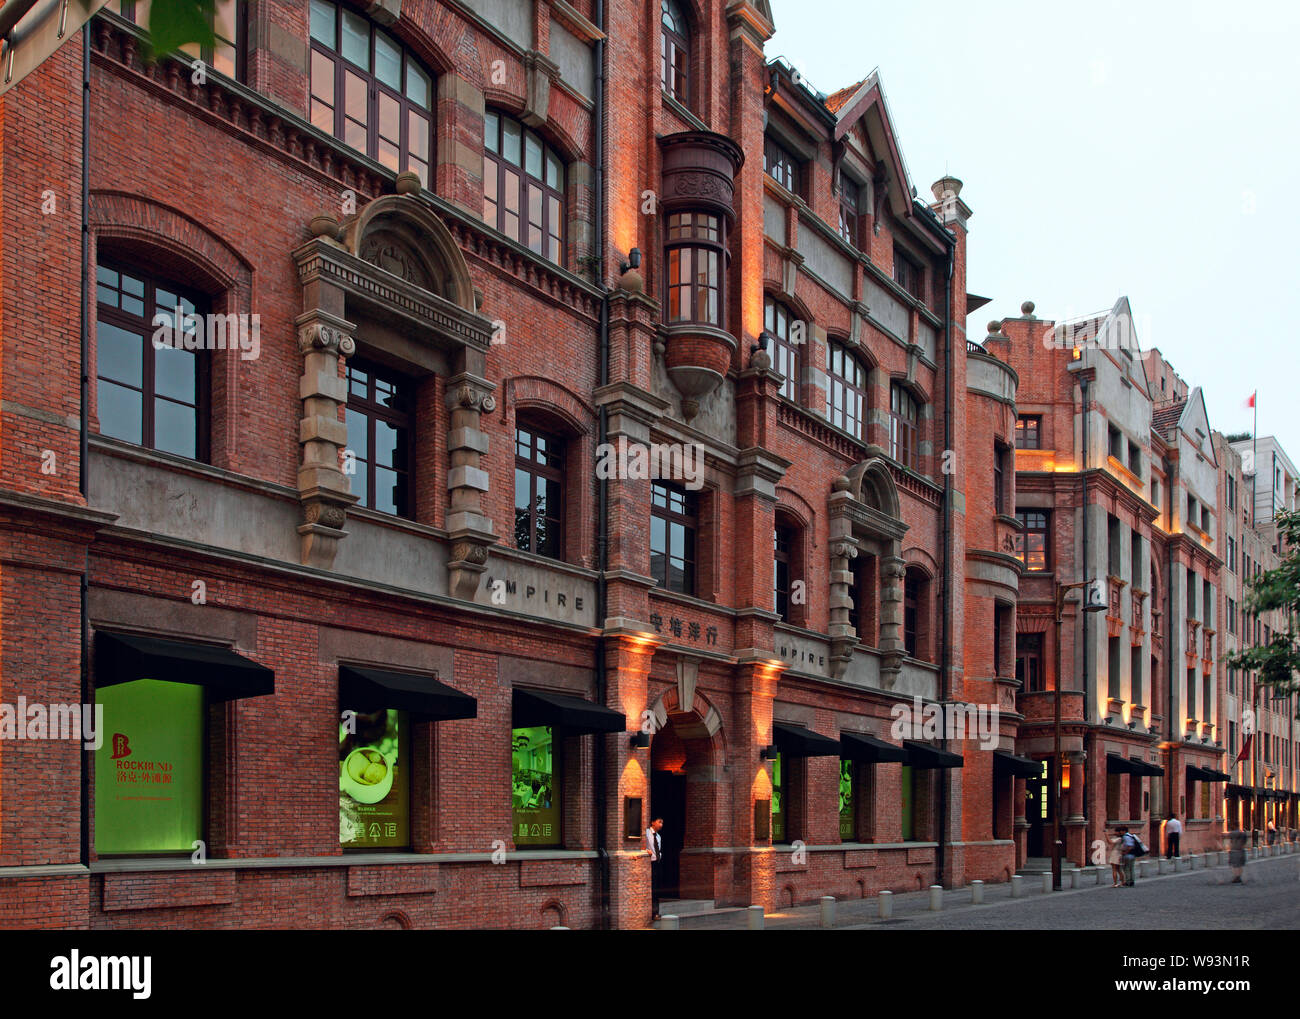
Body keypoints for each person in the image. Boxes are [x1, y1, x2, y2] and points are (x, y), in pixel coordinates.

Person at [645, 817, 664, 920]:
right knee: (652, 888)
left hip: (656, 862)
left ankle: (656, 912)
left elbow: (658, 849)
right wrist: (646, 850)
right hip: (649, 863)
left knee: (656, 889)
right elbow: (642, 843)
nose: (661, 825)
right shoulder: (647, 832)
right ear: (652, 822)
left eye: (662, 823)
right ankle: (652, 913)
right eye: (659, 822)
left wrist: (659, 855)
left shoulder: (659, 836)